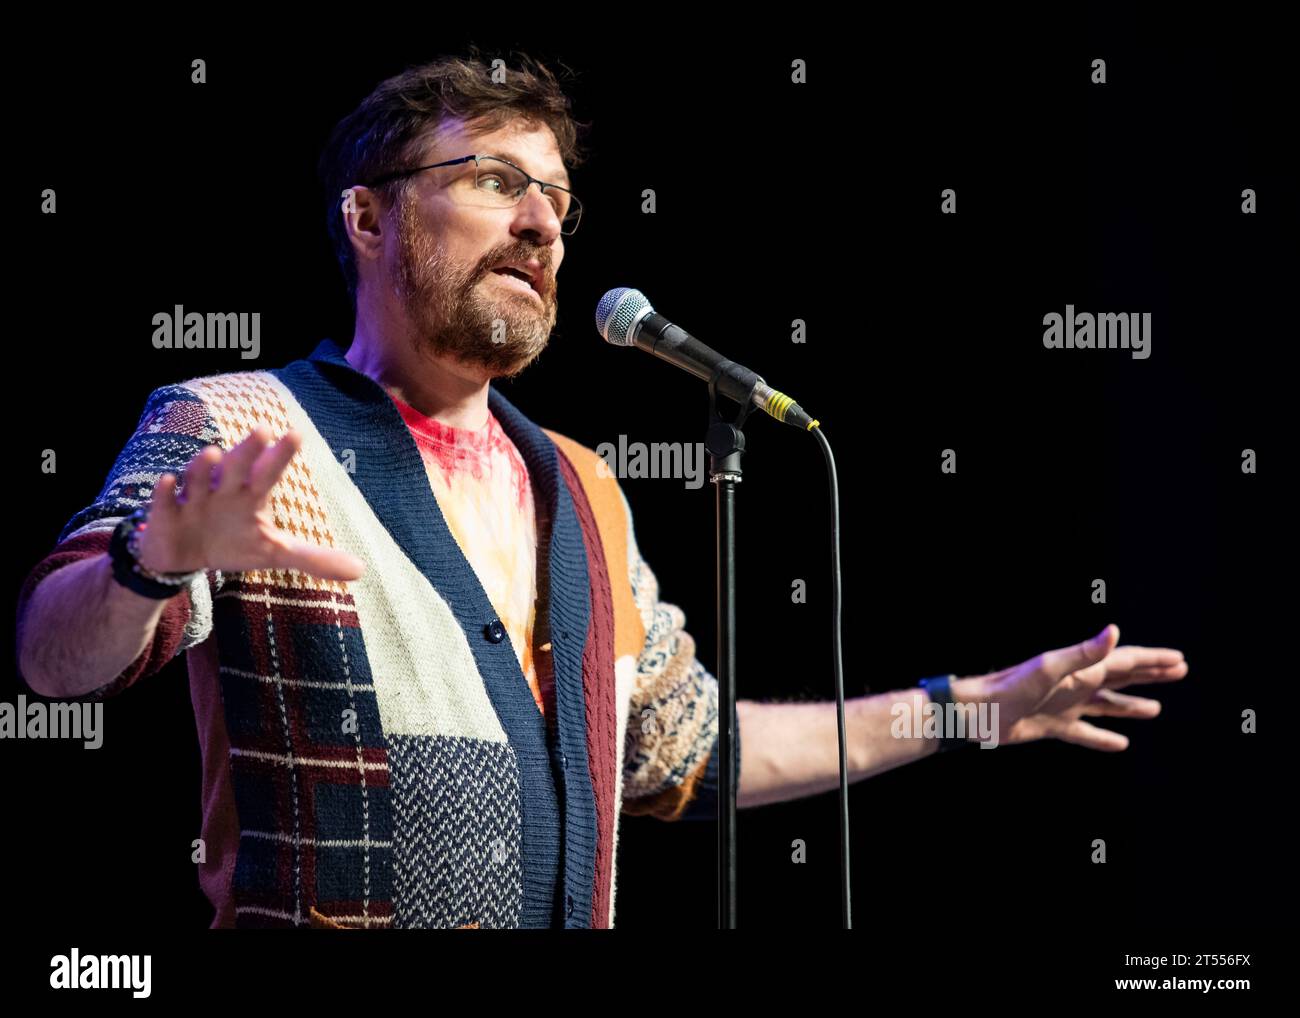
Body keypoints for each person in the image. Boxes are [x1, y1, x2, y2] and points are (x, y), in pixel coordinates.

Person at [14, 52, 1189, 929]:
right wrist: (145, 563)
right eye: (491, 179)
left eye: (557, 200)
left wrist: (975, 706)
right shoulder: (234, 424)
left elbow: (691, 755)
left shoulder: (580, 486)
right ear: (368, 216)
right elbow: (52, 661)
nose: (540, 224)